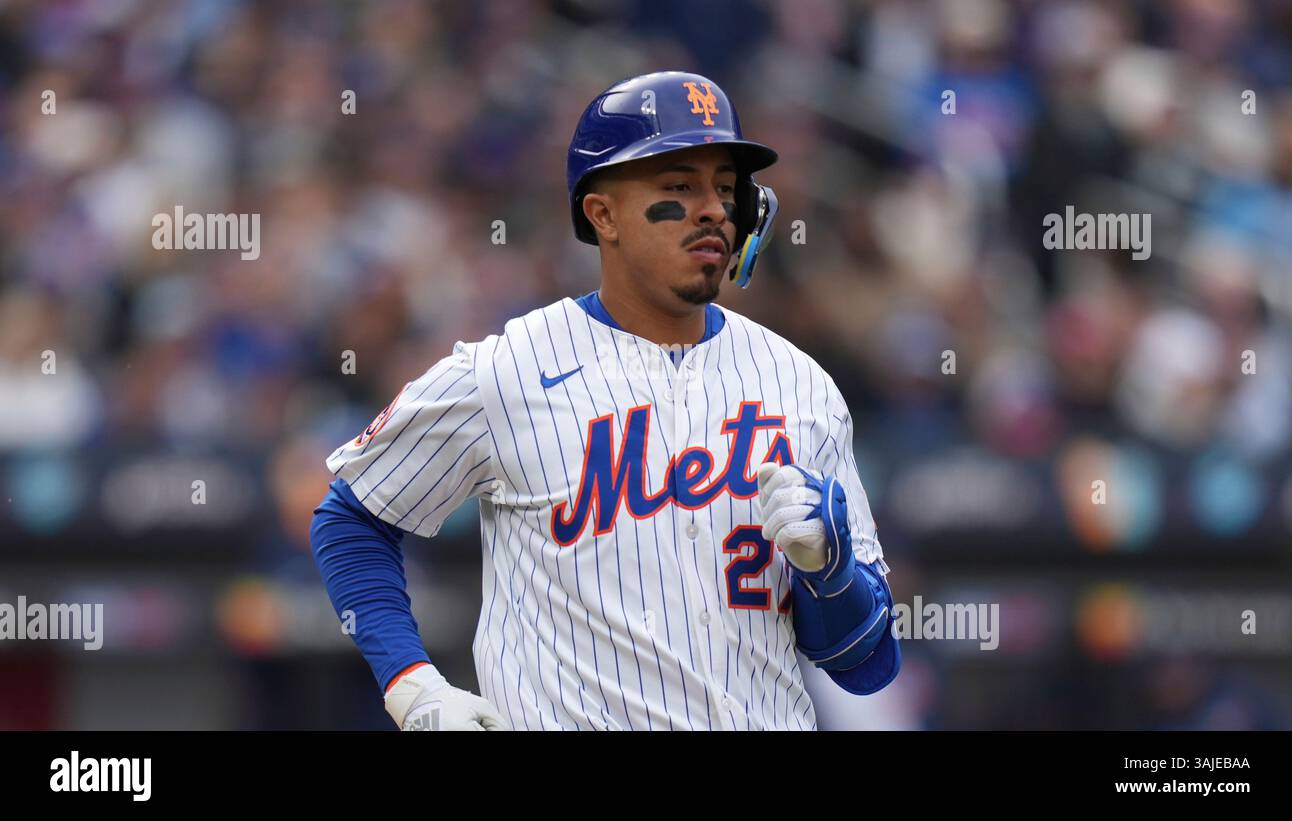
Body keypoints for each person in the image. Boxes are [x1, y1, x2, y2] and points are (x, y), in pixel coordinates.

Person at [309, 70, 900, 730]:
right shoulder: (507, 370)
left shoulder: (802, 385)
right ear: (603, 213)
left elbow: (866, 665)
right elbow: (352, 517)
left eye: (725, 187)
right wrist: (413, 685)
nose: (712, 208)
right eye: (679, 185)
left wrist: (831, 570)